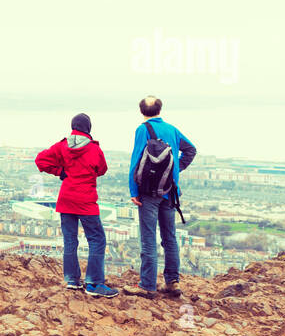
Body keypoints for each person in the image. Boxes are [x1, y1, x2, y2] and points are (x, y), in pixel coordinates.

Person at [35, 113, 117, 298]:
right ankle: (94, 283)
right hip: (86, 201)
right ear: (88, 128)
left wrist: (59, 171)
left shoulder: (62, 146)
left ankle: (72, 280)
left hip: (66, 200)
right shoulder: (94, 149)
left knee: (70, 240)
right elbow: (102, 169)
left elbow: (40, 160)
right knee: (97, 240)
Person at [128, 96, 196, 297]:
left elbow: (136, 159)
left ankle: (147, 285)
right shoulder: (172, 130)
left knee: (148, 238)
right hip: (170, 190)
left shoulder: (142, 130)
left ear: (142, 111)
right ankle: (172, 282)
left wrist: (133, 191)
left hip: (148, 192)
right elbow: (191, 150)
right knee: (170, 237)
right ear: (160, 109)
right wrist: (176, 170)